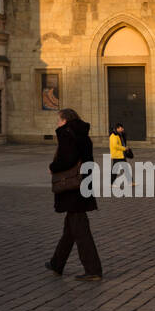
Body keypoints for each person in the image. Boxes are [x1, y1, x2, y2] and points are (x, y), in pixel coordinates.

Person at [45, 107, 103, 281]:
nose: (58, 123)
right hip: (83, 182)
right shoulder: (83, 134)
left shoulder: (67, 133)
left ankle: (93, 270)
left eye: (59, 120)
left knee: (80, 229)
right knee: (70, 228)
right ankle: (57, 263)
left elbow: (67, 159)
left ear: (65, 120)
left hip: (73, 186)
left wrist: (53, 167)